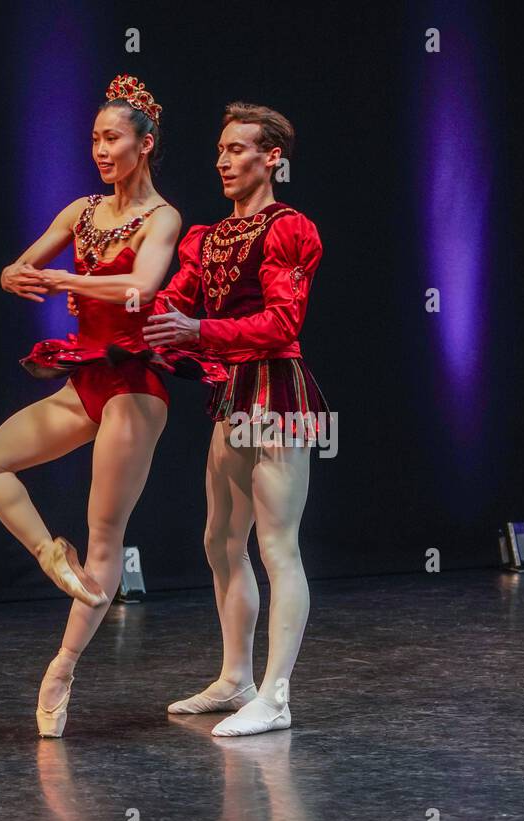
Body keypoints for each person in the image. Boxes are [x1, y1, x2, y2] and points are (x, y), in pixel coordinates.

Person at [0, 74, 191, 737]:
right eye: (94, 137)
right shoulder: (81, 211)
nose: (100, 148)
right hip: (84, 378)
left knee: (105, 536)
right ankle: (44, 551)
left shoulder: (163, 217)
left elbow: (143, 286)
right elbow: (19, 265)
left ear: (144, 145)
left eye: (112, 137)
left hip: (134, 387)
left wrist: (71, 278)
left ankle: (62, 665)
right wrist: (16, 274)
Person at [144, 102, 330, 737]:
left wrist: (197, 330)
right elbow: (173, 303)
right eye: (220, 149)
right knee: (220, 540)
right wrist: (120, 328)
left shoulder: (289, 228)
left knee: (276, 546)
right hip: (232, 396)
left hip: (276, 393)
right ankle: (236, 678)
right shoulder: (208, 236)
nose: (223, 160)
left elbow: (283, 324)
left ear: (272, 157)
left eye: (238, 149)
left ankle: (276, 696)